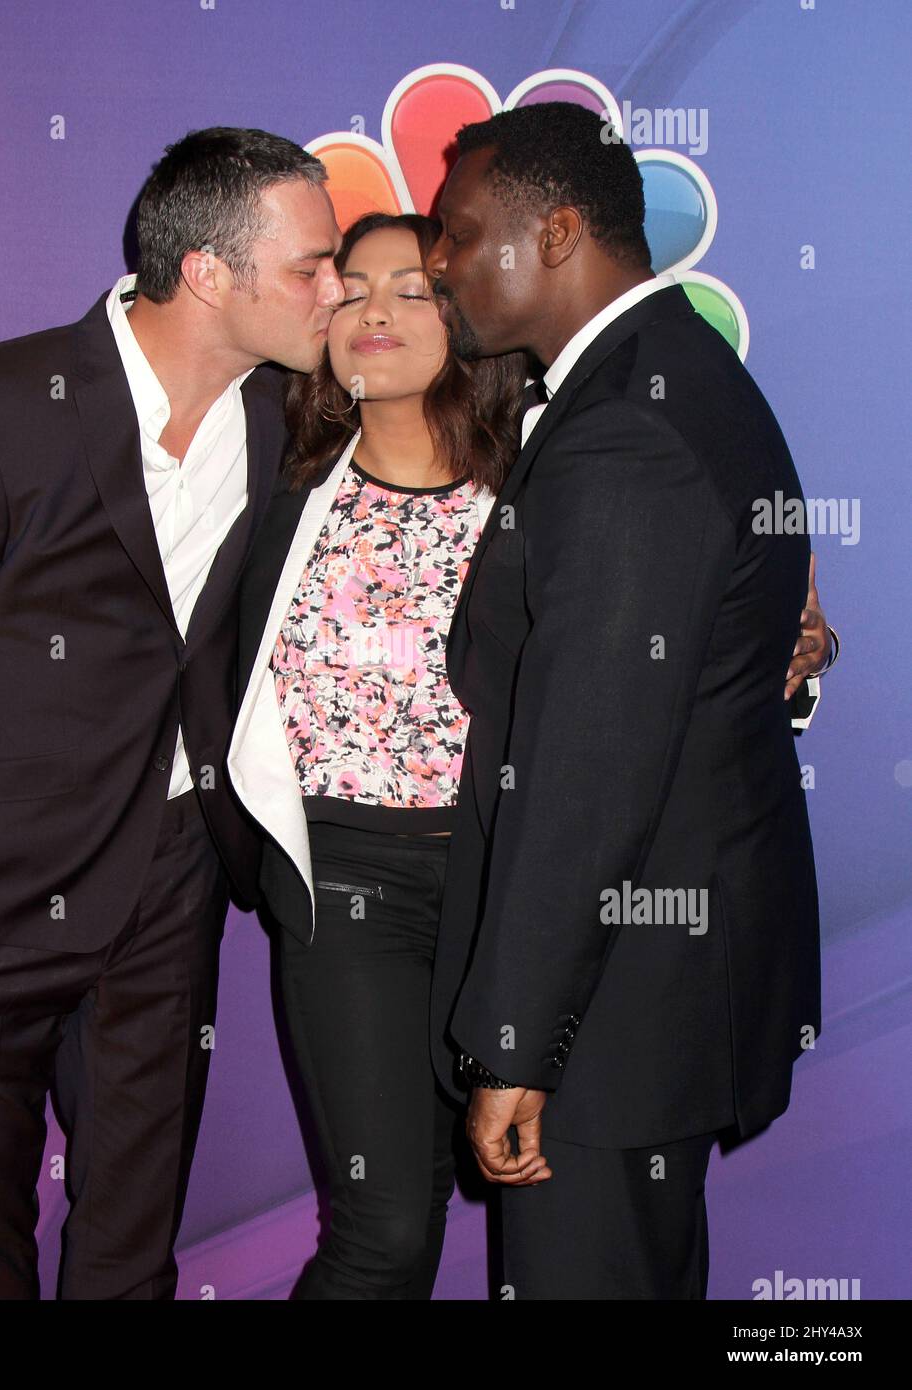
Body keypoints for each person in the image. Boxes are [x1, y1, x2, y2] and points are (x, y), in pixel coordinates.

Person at [227, 208, 835, 1299]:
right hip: (349, 897)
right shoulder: (274, 491)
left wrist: (785, 650)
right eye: (351, 287)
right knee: (384, 1236)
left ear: (463, 317)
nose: (374, 309)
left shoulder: (549, 475)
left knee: (563, 1217)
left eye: (413, 287)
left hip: (510, 886)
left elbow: (659, 675)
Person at [0, 127, 343, 1299]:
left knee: (130, 1243)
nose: (338, 290)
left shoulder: (283, 415)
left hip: (168, 877)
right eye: (311, 266)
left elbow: (479, 405)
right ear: (209, 273)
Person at [424, 101, 824, 1299]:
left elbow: (584, 775)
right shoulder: (670, 378)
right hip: (650, 981)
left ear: (552, 235)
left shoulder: (624, 434)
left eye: (457, 234)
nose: (437, 263)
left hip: (614, 1012)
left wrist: (515, 1041)